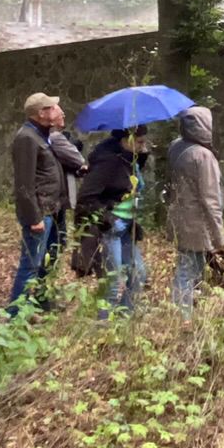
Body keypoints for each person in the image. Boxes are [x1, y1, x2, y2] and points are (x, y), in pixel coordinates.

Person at [8, 93, 67, 313]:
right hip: (40, 213)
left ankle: (41, 301)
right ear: (41, 113)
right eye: (53, 108)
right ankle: (15, 316)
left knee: (48, 258)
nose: (59, 110)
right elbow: (24, 184)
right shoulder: (27, 138)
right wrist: (34, 218)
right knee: (31, 264)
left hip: (52, 209)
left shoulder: (42, 135)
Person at [83, 127, 147, 314]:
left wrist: (141, 156)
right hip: (111, 226)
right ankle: (101, 328)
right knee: (113, 281)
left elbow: (133, 185)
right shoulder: (108, 161)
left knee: (139, 274)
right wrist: (106, 219)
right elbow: (87, 197)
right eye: (140, 142)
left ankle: (124, 317)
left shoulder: (130, 160)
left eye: (144, 141)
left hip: (127, 226)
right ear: (125, 140)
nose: (144, 145)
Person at [167, 106, 223, 314]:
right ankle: (182, 314)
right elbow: (211, 198)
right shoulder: (203, 156)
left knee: (193, 265)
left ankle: (189, 306)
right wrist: (219, 235)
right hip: (196, 221)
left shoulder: (175, 147)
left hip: (179, 216)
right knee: (187, 268)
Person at [46, 117, 88, 276]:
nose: (63, 115)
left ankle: (46, 284)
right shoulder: (55, 137)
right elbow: (78, 159)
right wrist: (73, 149)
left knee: (57, 242)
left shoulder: (48, 139)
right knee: (55, 243)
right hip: (55, 199)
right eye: (59, 113)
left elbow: (73, 165)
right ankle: (44, 284)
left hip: (59, 198)